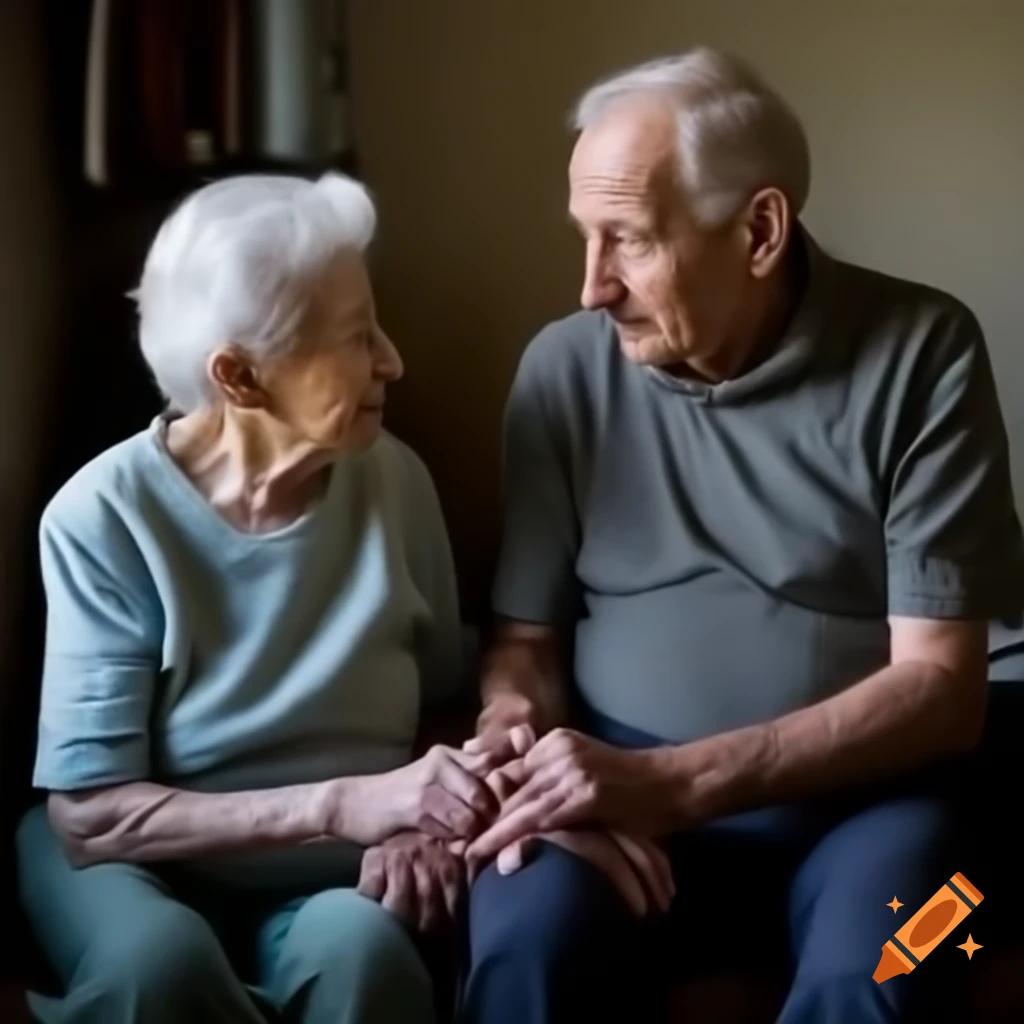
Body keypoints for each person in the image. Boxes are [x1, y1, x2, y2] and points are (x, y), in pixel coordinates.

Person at [459, 48, 1024, 1024]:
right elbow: (526, 641)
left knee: (911, 953)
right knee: (518, 944)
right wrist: (516, 736)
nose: (592, 287)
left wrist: (675, 783)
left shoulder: (924, 351)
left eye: (629, 241)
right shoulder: (563, 369)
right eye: (585, 238)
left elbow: (942, 693)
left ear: (759, 230)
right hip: (619, 780)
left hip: (886, 806)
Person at [16, 172, 516, 1024]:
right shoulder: (102, 517)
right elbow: (91, 817)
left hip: (326, 881)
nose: (392, 360)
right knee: (160, 970)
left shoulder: (397, 483)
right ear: (240, 377)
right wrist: (342, 804)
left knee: (365, 958)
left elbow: (443, 706)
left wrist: (420, 822)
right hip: (135, 869)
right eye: (357, 337)